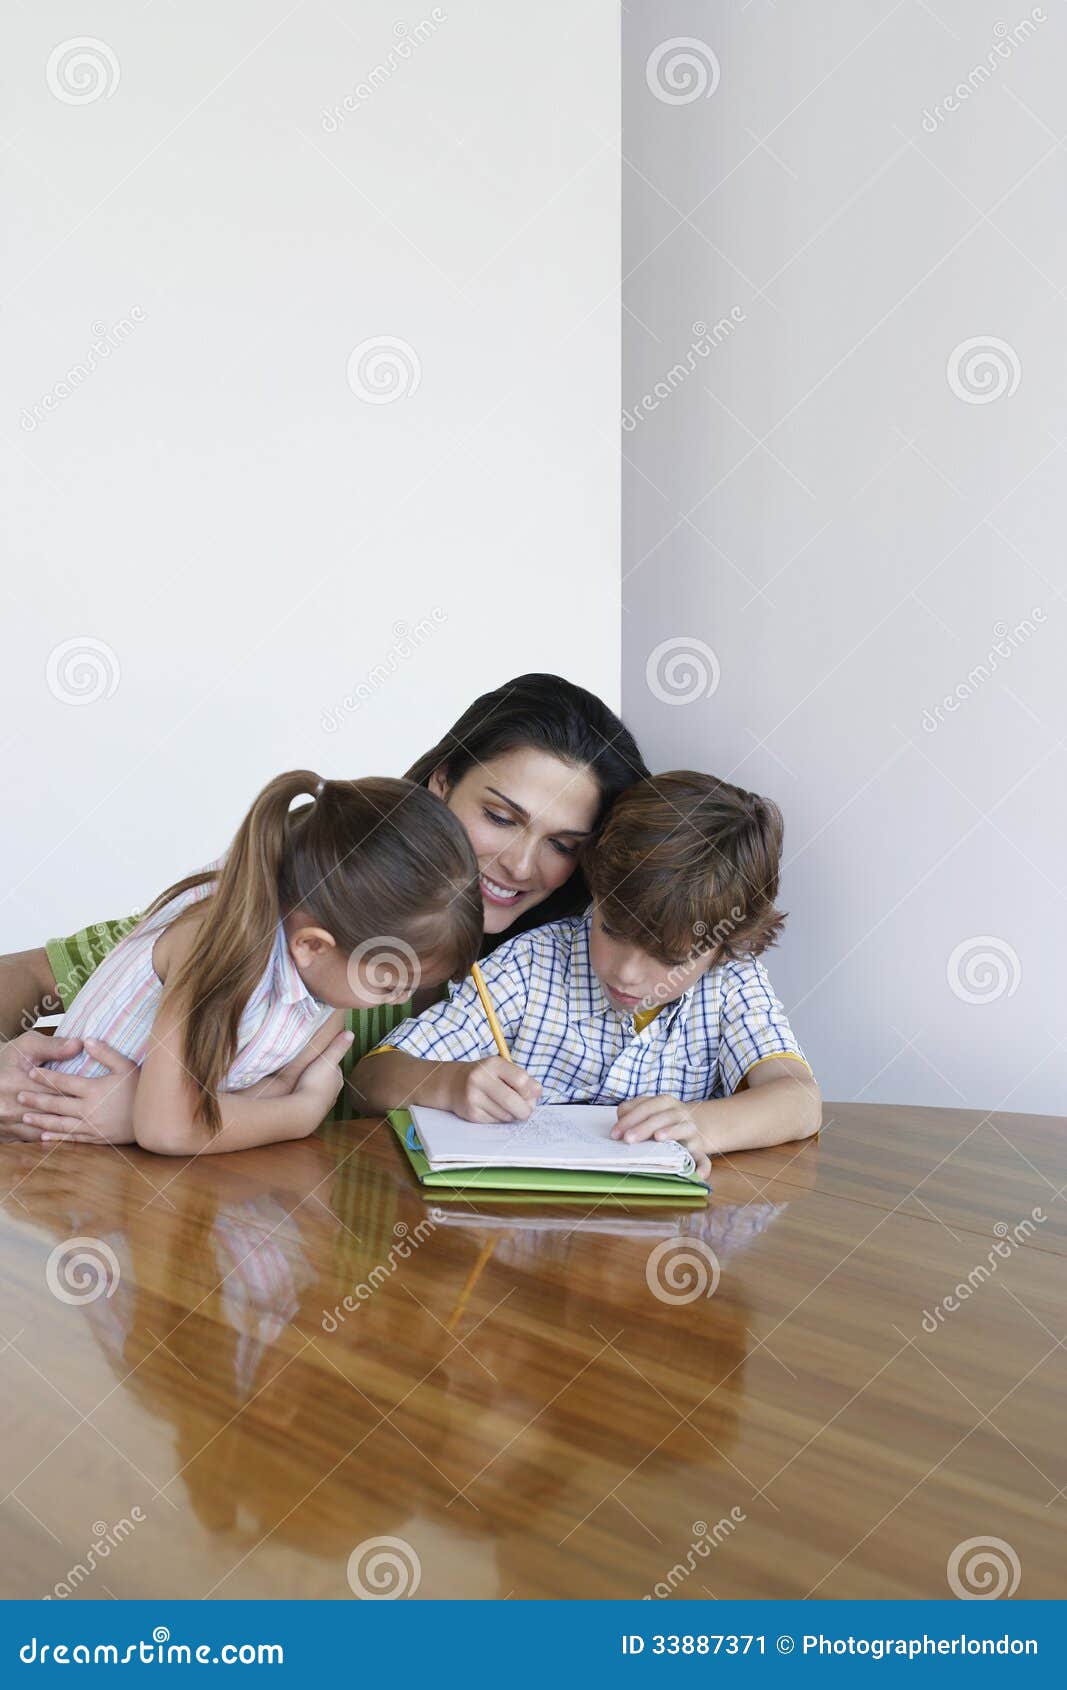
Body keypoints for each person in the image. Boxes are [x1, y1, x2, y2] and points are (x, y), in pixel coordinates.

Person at [1, 675, 649, 1139]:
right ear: (441, 783)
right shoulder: (309, 905)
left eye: (562, 845)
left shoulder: (560, 973)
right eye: (500, 817)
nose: (521, 865)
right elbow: (28, 982)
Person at [354, 773, 822, 1175]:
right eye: (613, 929)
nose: (628, 972)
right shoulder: (532, 963)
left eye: (671, 957)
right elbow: (370, 1080)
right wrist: (451, 1084)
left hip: (662, 1244)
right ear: (596, 887)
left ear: (724, 947)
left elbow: (800, 1101)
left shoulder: (730, 982)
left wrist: (700, 1125)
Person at [28, 770, 482, 1155]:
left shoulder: (323, 964)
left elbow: (282, 1080)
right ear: (312, 945)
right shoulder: (219, 942)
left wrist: (204, 1117)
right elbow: (168, 1128)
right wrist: (300, 1115)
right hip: (53, 1155)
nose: (401, 999)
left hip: (143, 1168)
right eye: (389, 985)